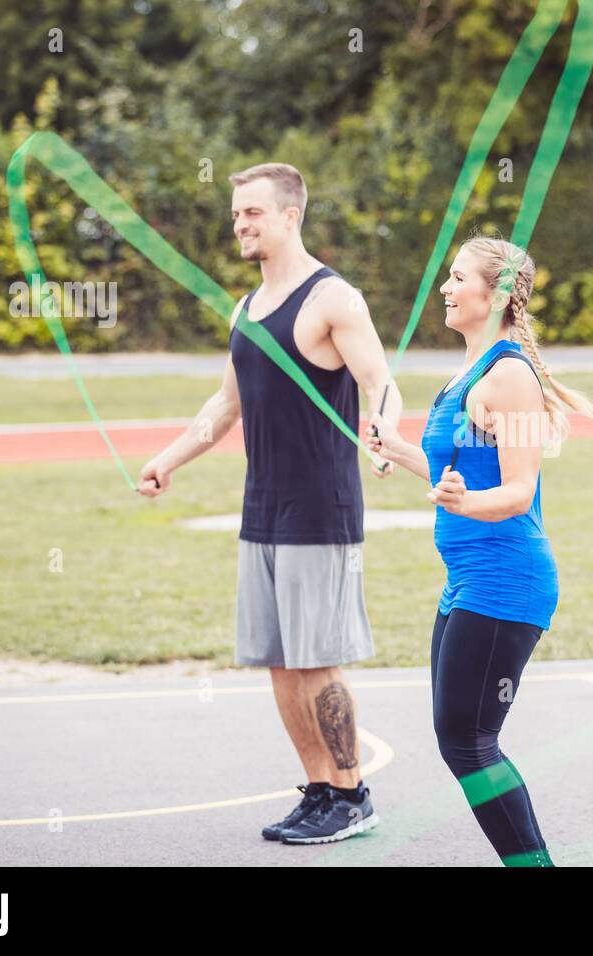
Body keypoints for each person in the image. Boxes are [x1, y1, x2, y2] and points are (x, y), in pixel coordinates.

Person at [137, 162, 403, 845]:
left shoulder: (333, 299)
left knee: (318, 659)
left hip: (321, 508)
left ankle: (353, 795)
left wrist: (385, 434)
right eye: (235, 215)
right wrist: (168, 459)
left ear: (290, 215)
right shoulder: (245, 307)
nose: (241, 225)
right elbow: (225, 405)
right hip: (264, 508)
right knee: (281, 661)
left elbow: (380, 382)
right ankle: (319, 790)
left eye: (253, 212)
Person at [367, 236, 593, 866]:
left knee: (470, 740)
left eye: (458, 277)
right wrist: (398, 449)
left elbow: (518, 491)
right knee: (457, 738)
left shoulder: (511, 375)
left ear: (494, 296)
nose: (446, 286)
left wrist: (462, 501)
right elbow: (456, 473)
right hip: (466, 578)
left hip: (507, 579)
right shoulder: (468, 374)